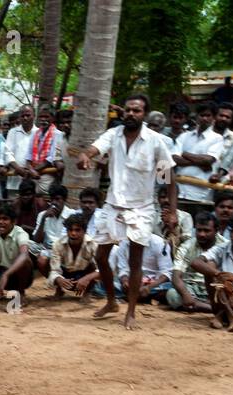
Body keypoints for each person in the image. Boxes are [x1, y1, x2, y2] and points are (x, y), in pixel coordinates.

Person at [77, 93, 177, 329]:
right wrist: (85, 155)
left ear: (144, 114)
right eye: (128, 110)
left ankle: (130, 312)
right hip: (113, 204)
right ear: (123, 112)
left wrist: (171, 210)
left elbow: (169, 180)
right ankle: (112, 301)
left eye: (136, 110)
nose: (131, 114)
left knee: (135, 261)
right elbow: (94, 148)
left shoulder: (155, 141)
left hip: (141, 209)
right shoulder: (114, 135)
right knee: (101, 256)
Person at [172, 103, 225, 208]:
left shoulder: (217, 138)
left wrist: (184, 154)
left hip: (201, 194)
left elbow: (208, 160)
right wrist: (199, 162)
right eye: (202, 115)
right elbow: (174, 158)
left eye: (208, 115)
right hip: (179, 190)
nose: (204, 118)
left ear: (213, 118)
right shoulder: (184, 136)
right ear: (197, 116)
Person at [168, 211, 222, 313]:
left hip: (216, 289)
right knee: (172, 295)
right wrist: (186, 295)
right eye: (199, 230)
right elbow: (176, 276)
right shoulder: (187, 246)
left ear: (216, 231)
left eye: (206, 231)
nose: (202, 234)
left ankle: (197, 306)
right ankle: (213, 308)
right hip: (192, 289)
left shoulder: (225, 246)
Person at [109, 233, 173, 304]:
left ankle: (134, 297)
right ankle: (146, 298)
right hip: (132, 282)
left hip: (154, 284)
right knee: (104, 285)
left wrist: (149, 287)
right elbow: (123, 269)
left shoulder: (159, 243)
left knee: (169, 288)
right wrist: (125, 282)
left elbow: (166, 273)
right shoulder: (124, 243)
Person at [47, 213, 98, 298]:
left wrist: (87, 278)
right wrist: (58, 279)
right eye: (70, 230)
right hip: (66, 275)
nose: (73, 233)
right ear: (66, 230)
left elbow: (102, 270)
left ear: (84, 231)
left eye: (77, 230)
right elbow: (54, 270)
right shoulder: (58, 244)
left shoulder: (93, 244)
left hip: (83, 275)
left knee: (93, 266)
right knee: (44, 261)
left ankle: (87, 293)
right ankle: (59, 290)